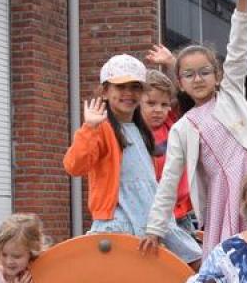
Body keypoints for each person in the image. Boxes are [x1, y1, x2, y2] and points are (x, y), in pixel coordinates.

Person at [146, 0, 247, 254]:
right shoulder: (185, 126)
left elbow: (238, 49)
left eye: (205, 72)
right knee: (230, 259)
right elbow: (170, 178)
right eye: (189, 75)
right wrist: (155, 228)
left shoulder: (230, 94)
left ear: (217, 75)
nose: (198, 79)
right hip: (223, 198)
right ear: (179, 83)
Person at [64, 55, 199, 261]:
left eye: (135, 87)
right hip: (120, 221)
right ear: (105, 91)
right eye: (121, 87)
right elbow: (74, 166)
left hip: (152, 220)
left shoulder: (141, 130)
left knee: (194, 264)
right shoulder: (101, 128)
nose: (128, 93)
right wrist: (89, 127)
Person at [139, 69, 194, 229]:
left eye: (164, 105)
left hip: (178, 215)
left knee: (189, 253)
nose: (158, 110)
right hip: (147, 215)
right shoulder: (133, 132)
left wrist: (169, 63)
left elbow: (181, 94)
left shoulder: (172, 125)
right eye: (151, 103)